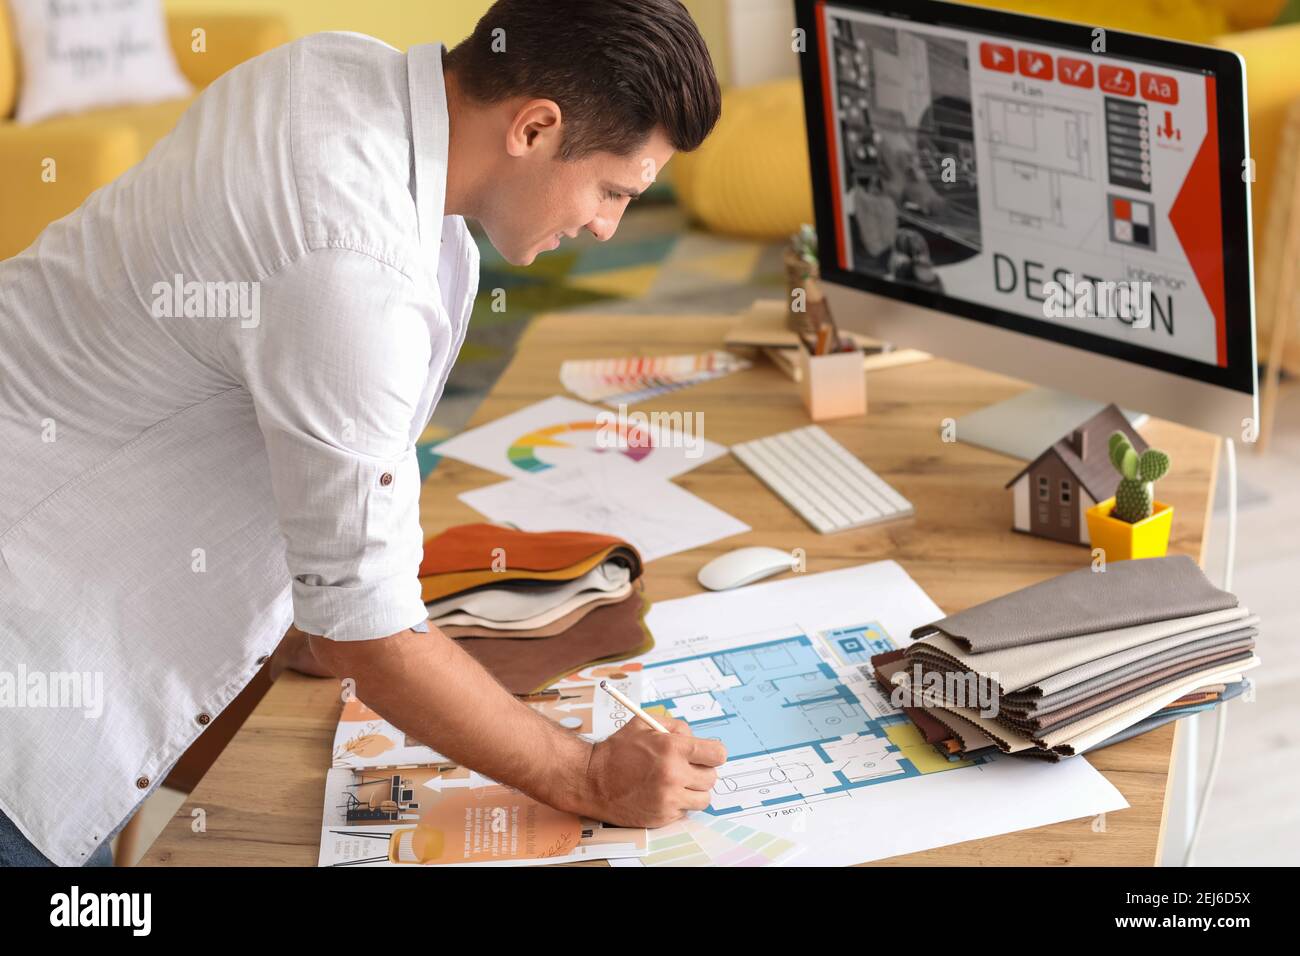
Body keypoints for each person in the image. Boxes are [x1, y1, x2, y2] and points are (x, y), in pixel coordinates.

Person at [0, 0, 725, 867]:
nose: (607, 227)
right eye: (613, 191)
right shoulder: (349, 266)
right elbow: (366, 633)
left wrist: (312, 603)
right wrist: (592, 778)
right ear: (534, 127)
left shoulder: (335, 71)